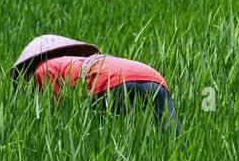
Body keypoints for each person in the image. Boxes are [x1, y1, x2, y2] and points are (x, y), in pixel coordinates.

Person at [11, 34, 178, 133]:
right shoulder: (81, 61)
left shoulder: (43, 68)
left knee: (98, 131)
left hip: (111, 83)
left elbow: (60, 114)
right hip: (155, 79)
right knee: (171, 139)